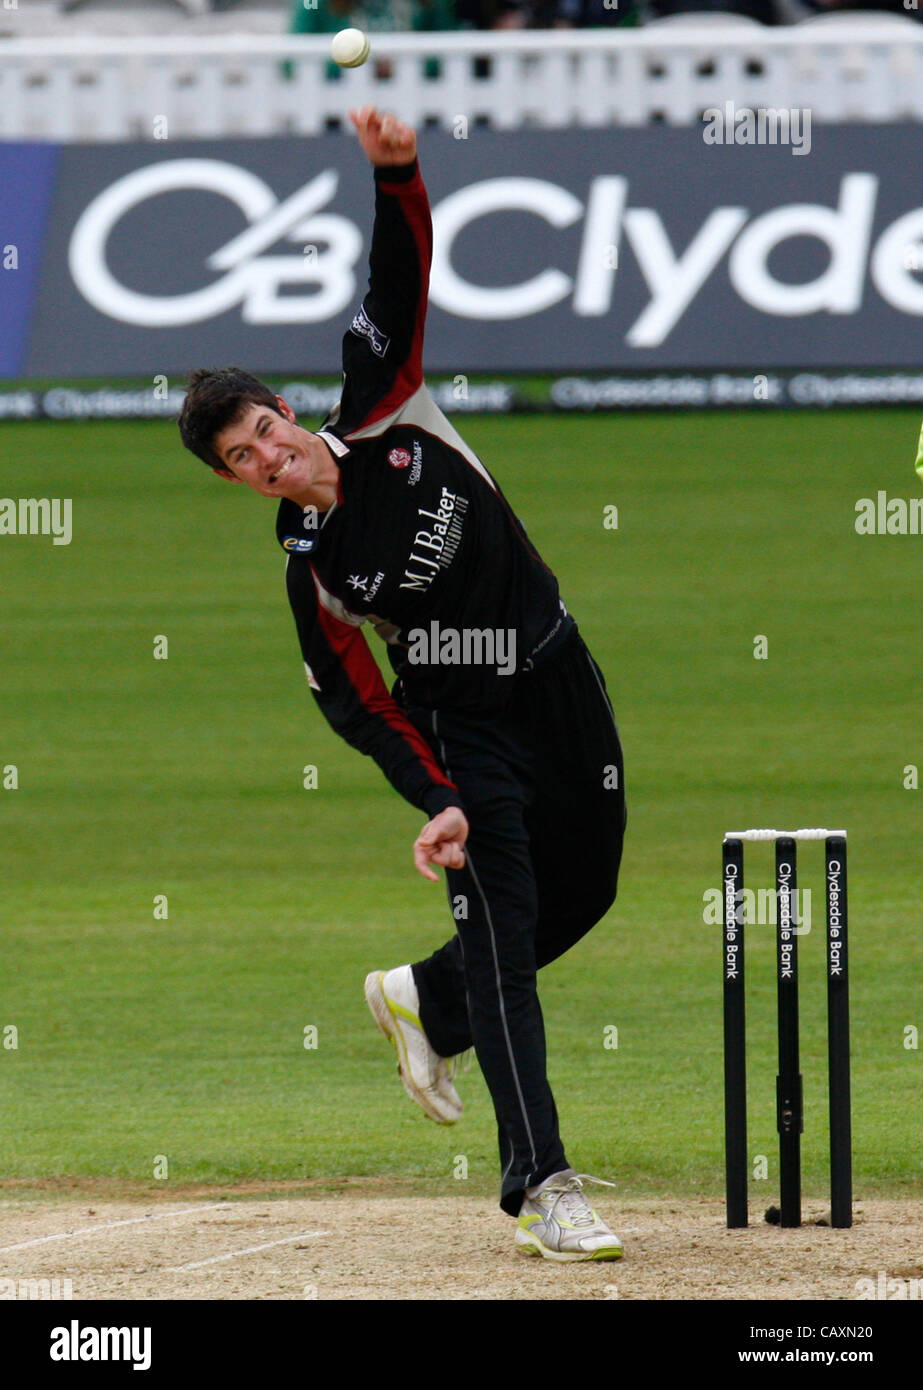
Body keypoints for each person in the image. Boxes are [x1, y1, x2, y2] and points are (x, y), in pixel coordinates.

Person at [177, 106, 627, 1262]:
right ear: (235, 481)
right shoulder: (313, 573)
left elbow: (400, 271)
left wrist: (396, 172)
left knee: (585, 895)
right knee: (506, 934)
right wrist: (436, 796)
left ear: (286, 410)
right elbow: (356, 704)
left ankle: (420, 1000)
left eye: (268, 430)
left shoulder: (383, 407)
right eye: (244, 460)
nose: (272, 457)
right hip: (466, 730)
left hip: (559, 675)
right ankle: (542, 1180)